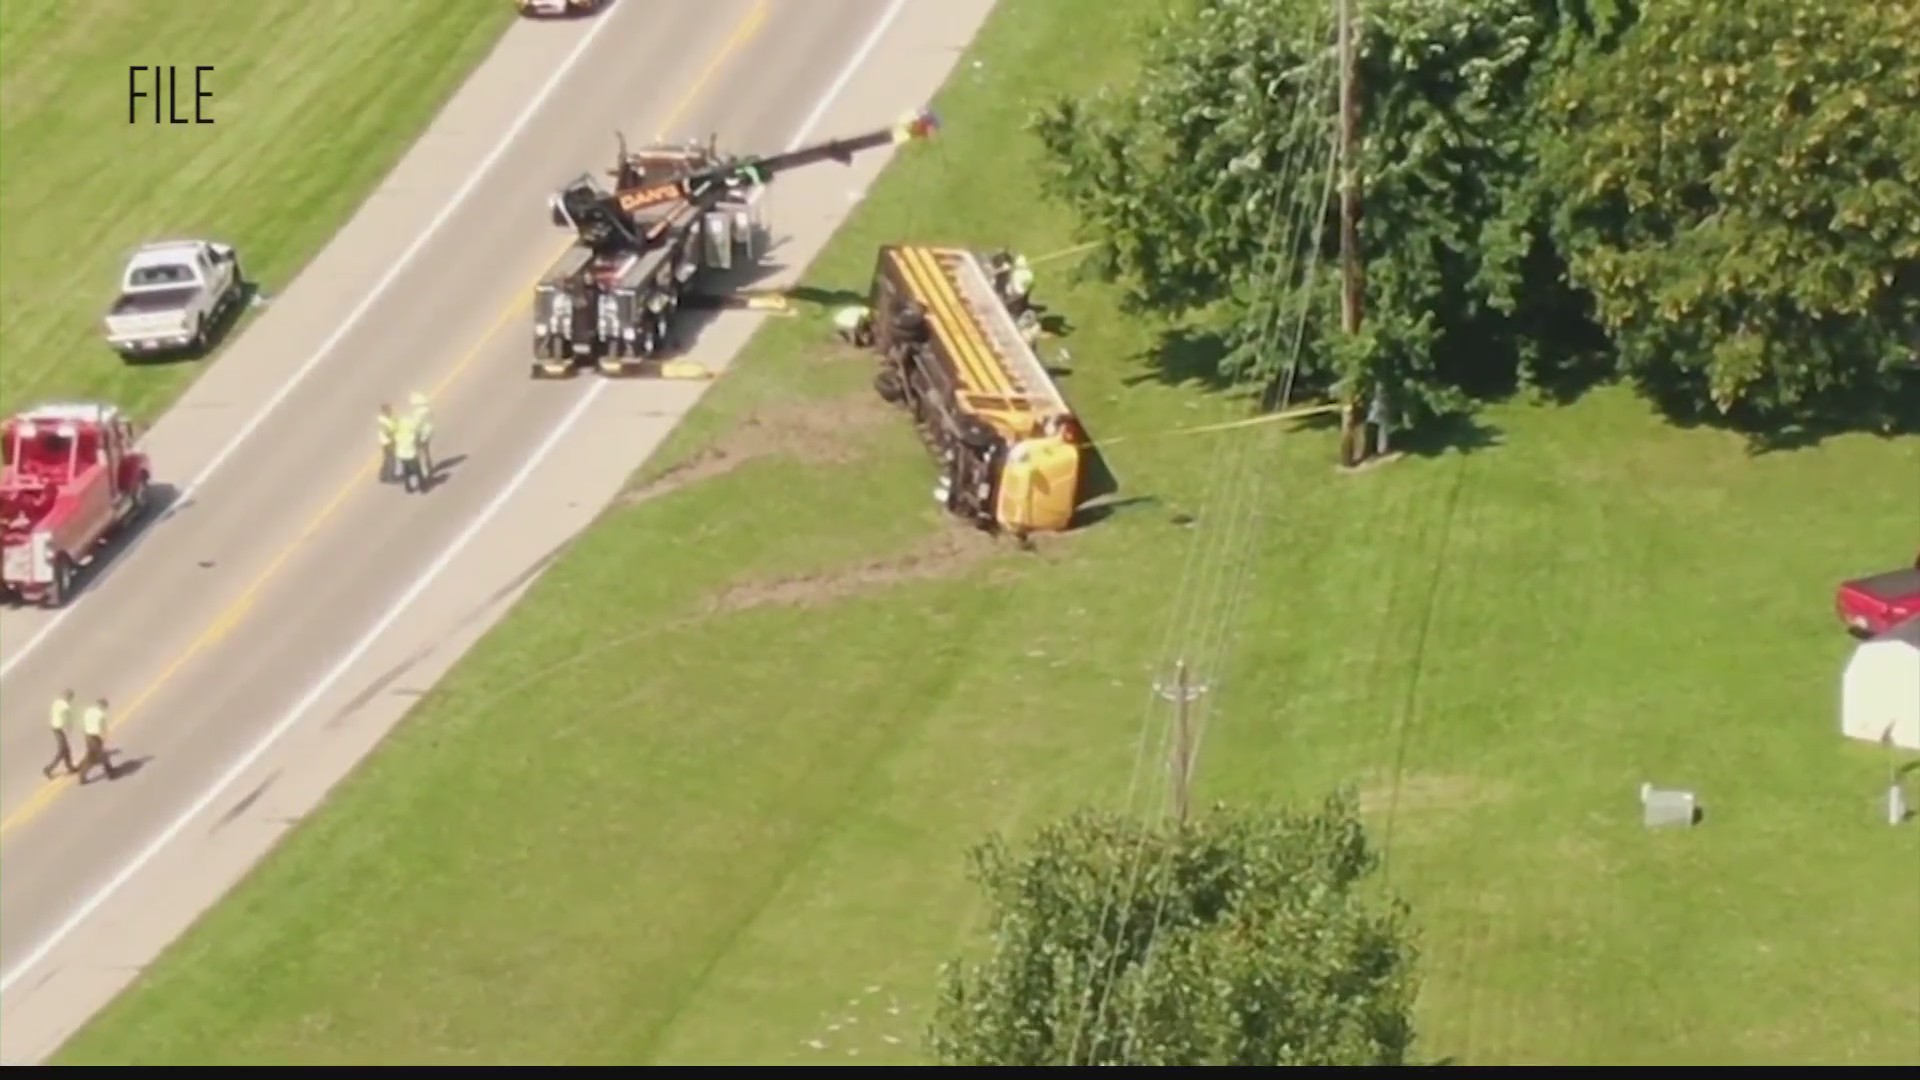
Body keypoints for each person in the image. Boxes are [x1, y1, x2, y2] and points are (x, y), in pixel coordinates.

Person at [77, 697, 118, 784]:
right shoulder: (101, 714)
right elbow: (103, 729)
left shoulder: (89, 711)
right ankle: (110, 773)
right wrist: (106, 738)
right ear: (103, 706)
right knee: (97, 757)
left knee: (94, 756)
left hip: (88, 736)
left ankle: (109, 771)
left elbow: (83, 723)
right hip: (94, 738)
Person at [43, 689, 76, 779]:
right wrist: (69, 728)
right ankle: (48, 769)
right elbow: (68, 720)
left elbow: (52, 713)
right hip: (59, 728)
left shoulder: (56, 702)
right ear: (69, 697)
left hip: (54, 726)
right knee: (62, 750)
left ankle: (70, 767)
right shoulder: (66, 707)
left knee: (66, 749)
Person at [392, 410, 425, 494]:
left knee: (406, 471)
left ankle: (408, 488)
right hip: (411, 454)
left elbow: (395, 442)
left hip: (401, 455)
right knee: (417, 470)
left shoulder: (398, 434)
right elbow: (417, 440)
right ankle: (422, 486)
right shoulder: (411, 433)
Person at [408, 392, 435, 476]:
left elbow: (416, 424)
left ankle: (425, 471)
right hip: (428, 432)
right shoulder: (427, 409)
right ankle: (429, 466)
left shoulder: (418, 412)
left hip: (421, 434)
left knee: (420, 453)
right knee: (426, 451)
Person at [376, 403, 397, 484]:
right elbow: (387, 431)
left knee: (387, 458)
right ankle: (389, 476)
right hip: (388, 442)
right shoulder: (384, 421)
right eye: (389, 410)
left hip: (386, 442)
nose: (391, 411)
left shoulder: (385, 419)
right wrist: (392, 436)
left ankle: (382, 474)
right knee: (391, 459)